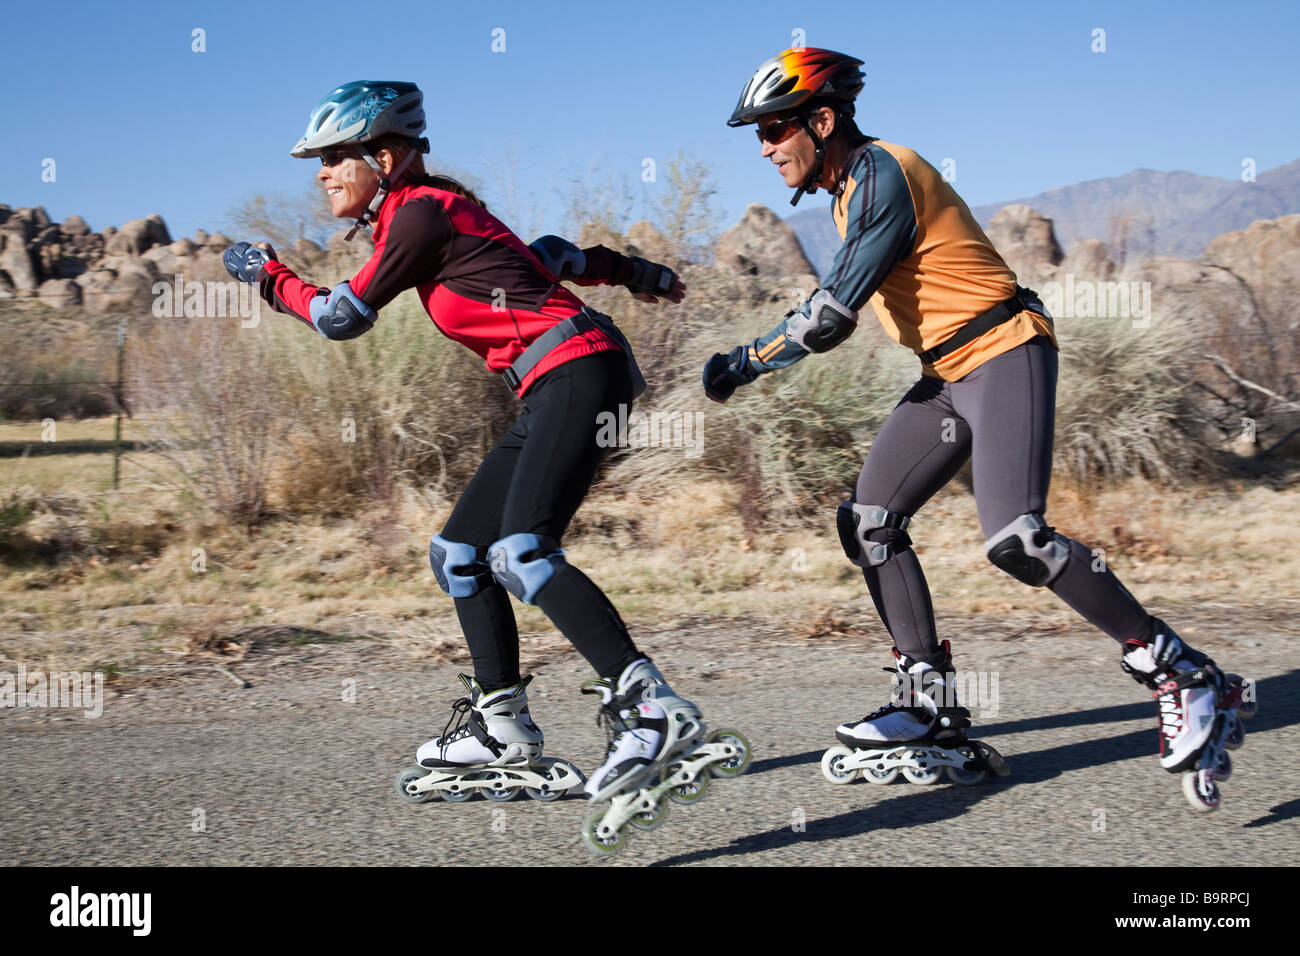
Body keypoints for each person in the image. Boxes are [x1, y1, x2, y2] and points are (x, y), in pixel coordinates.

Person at [704, 49, 1252, 810]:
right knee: (869, 522)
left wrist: (743, 361)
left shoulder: (882, 175)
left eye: (772, 131)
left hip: (1005, 351)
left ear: (821, 120)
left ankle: (1184, 673)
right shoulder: (845, 192)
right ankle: (926, 704)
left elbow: (829, 318)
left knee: (1017, 537)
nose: (763, 149)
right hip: (946, 375)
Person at [223, 81, 745, 825]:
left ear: (383, 154)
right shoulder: (434, 215)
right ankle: (503, 728)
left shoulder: (420, 212)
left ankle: (652, 710)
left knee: (524, 552)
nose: (320, 172)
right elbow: (547, 257)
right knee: (459, 555)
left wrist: (267, 277)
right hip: (551, 386)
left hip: (578, 370)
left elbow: (340, 317)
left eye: (335, 156)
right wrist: (639, 273)